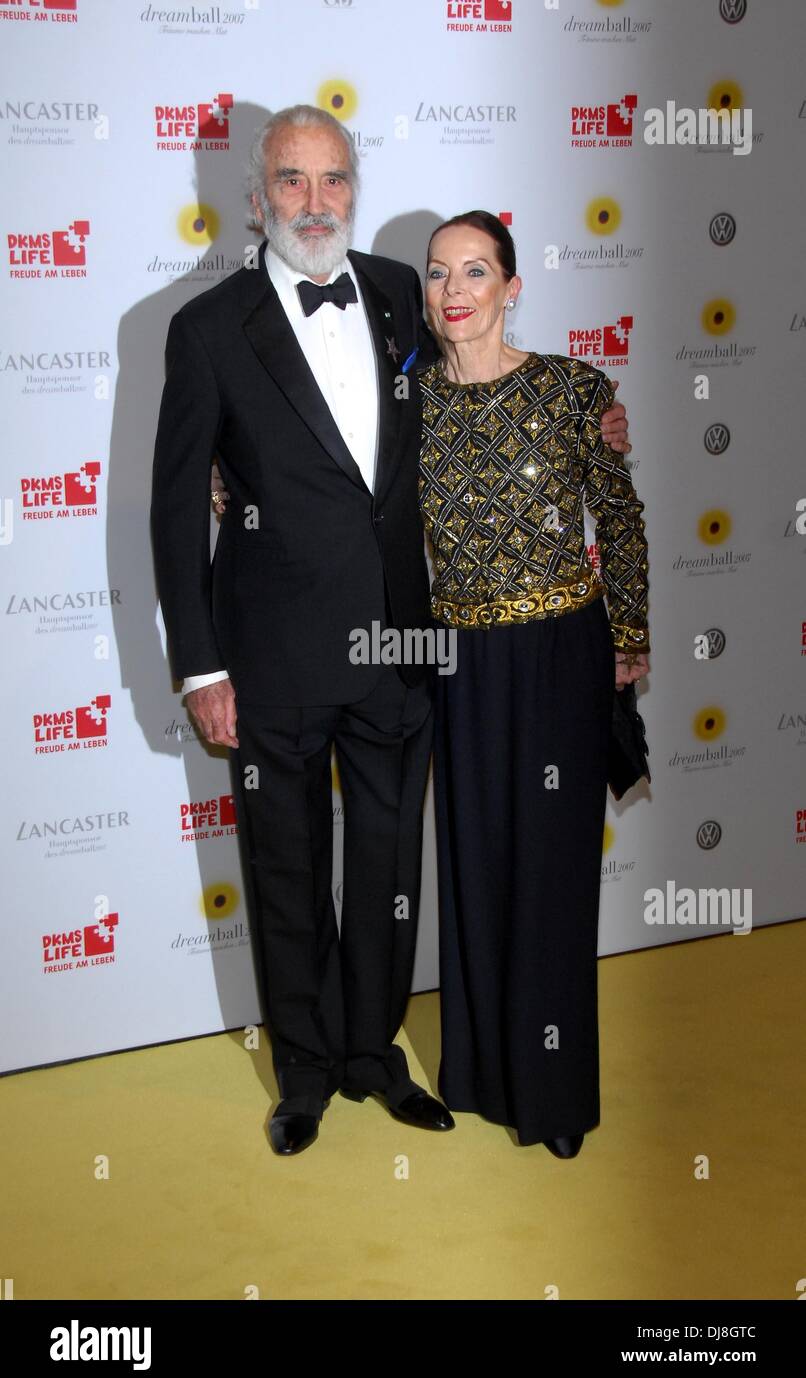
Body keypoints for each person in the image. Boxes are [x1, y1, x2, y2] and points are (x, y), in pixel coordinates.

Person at [153, 105, 632, 1158]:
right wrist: (199, 665)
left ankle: (371, 1052)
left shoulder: (393, 295)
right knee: (284, 869)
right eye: (292, 181)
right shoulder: (203, 330)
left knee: (385, 866)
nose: (315, 202)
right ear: (255, 195)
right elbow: (174, 502)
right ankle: (307, 1073)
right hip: (269, 656)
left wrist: (586, 413)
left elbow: (482, 375)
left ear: (353, 188)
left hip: (402, 651)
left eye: (333, 180)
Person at [419, 210, 650, 1158]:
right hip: (461, 663)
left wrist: (629, 635)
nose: (456, 292)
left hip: (562, 655)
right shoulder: (408, 406)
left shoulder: (571, 388)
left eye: (476, 271)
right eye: (438, 275)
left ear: (513, 287)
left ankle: (552, 1096)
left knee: (552, 877)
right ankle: (479, 1074)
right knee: (476, 865)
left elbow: (621, 517)